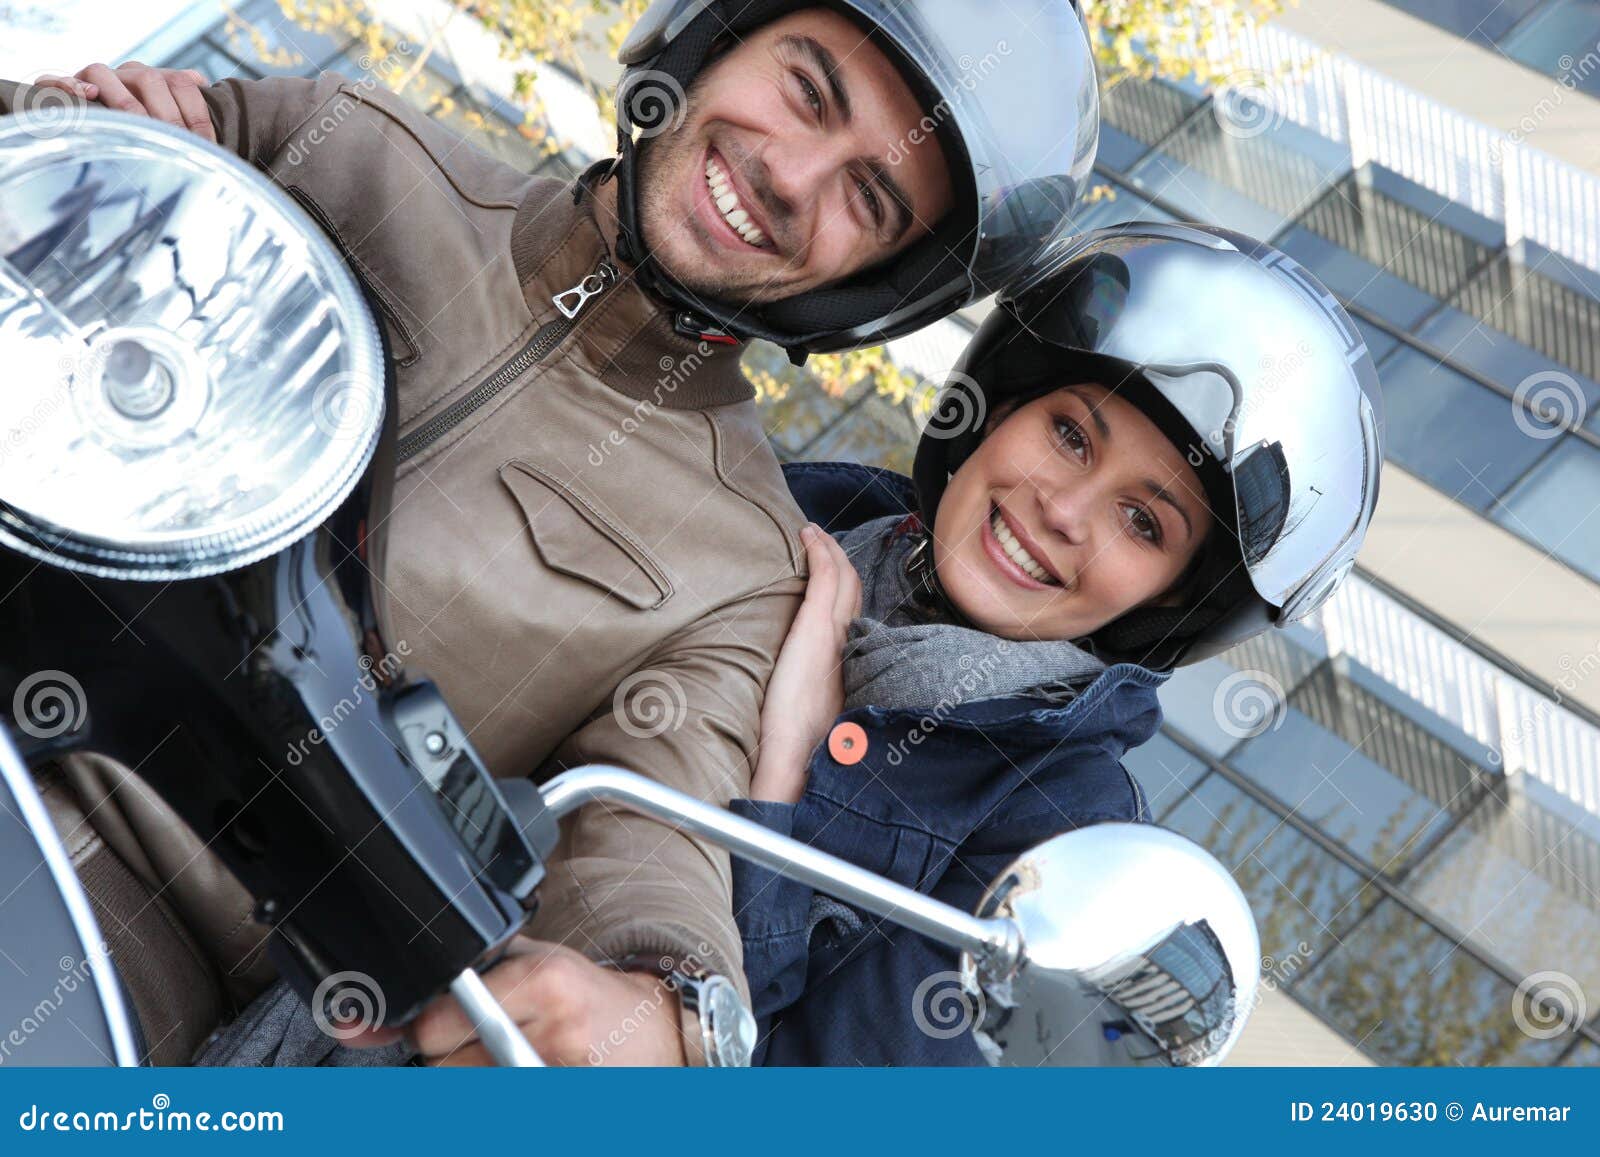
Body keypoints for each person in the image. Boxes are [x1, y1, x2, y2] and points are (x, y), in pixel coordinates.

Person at [0, 0, 1099, 1065]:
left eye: (868, 198)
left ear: (873, 286)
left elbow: (654, 843)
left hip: (109, 943)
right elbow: (53, 216)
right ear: (713, 36)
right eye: (806, 92)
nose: (791, 176)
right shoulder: (355, 151)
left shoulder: (738, 564)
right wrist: (66, 129)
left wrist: (658, 1004)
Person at [731, 221, 1386, 1065]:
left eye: (1143, 521)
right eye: (1072, 434)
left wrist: (784, 770)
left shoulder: (1070, 830)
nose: (1066, 511)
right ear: (999, 408)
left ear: (1168, 604)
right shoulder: (804, 505)